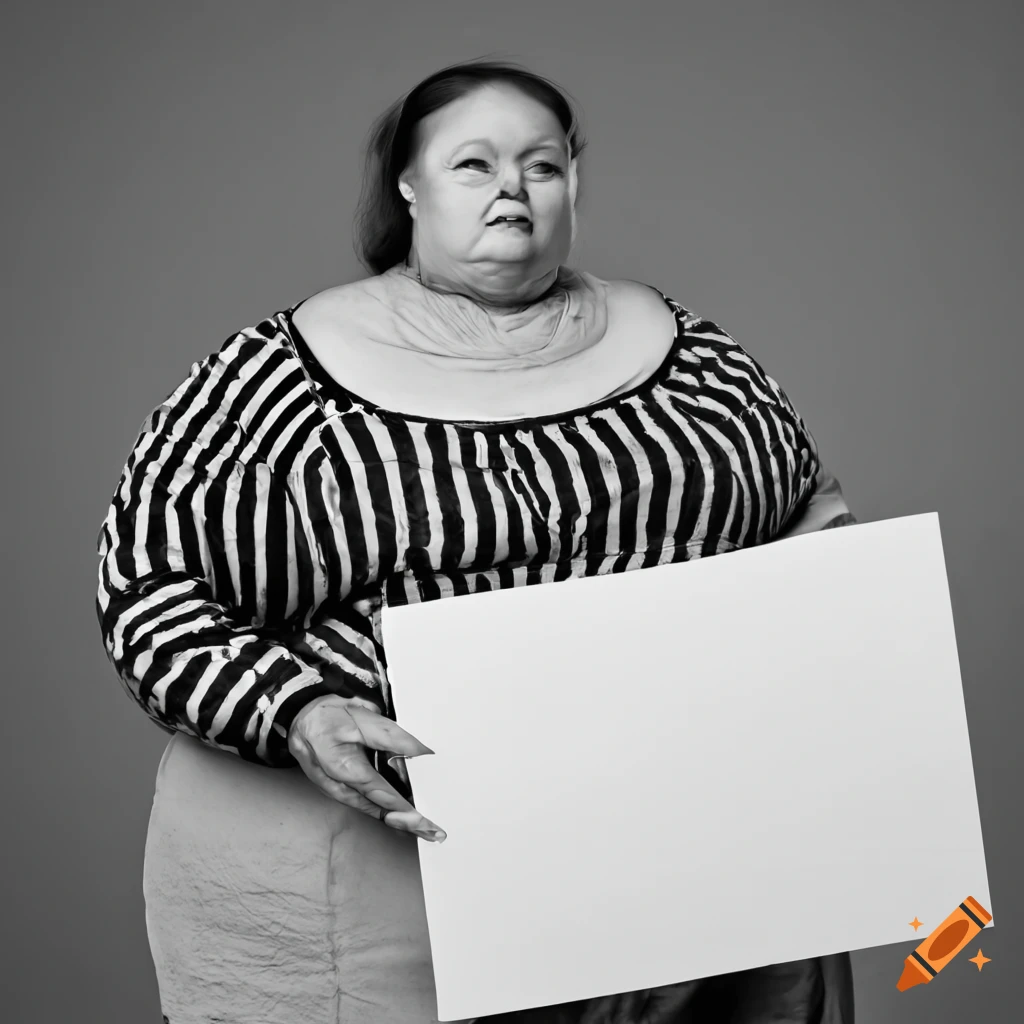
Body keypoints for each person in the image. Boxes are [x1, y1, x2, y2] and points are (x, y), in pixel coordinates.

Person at [96, 59, 857, 1024]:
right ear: (408, 187)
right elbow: (149, 585)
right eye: (474, 163)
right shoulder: (274, 379)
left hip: (691, 856)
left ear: (572, 185)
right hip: (397, 870)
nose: (511, 187)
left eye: (540, 164)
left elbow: (811, 518)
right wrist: (292, 712)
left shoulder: (696, 354)